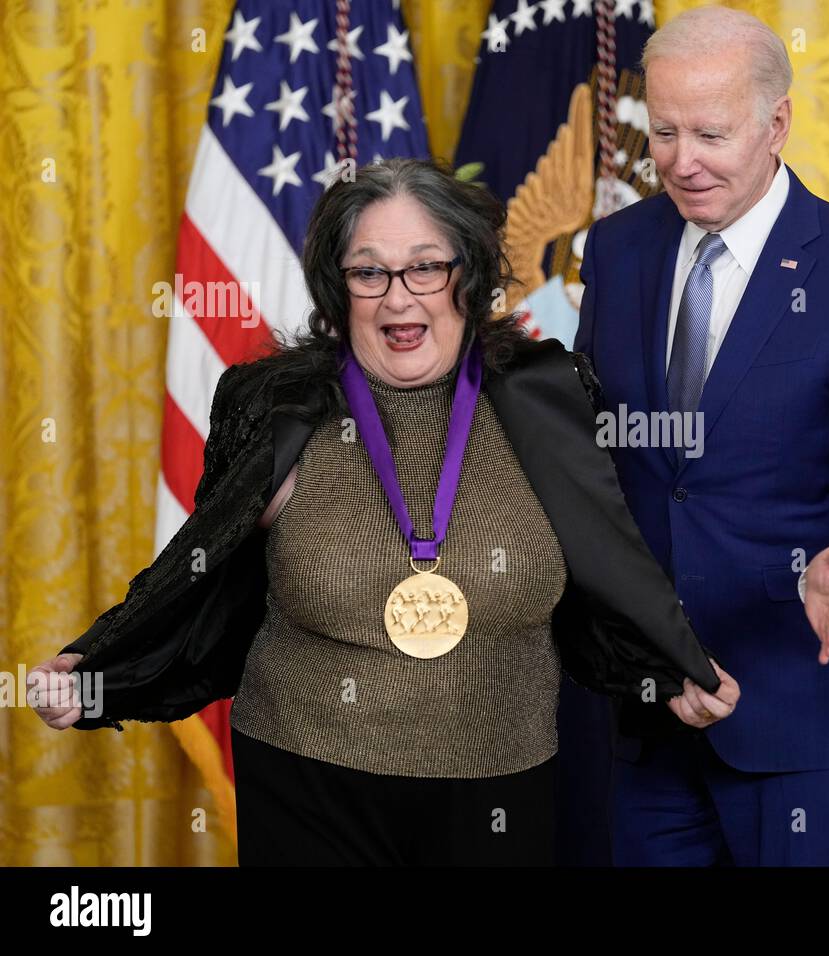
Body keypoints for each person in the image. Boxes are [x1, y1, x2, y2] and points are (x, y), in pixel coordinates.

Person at [27, 156, 740, 866]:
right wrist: (100, 668)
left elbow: (600, 577)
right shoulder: (276, 407)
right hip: (307, 782)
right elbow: (204, 576)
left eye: (426, 266)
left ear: (470, 275)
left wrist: (668, 672)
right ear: (339, 291)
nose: (399, 297)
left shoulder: (549, 398)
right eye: (369, 273)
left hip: (500, 787)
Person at [575, 6, 829, 866]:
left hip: (805, 725)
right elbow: (595, 460)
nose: (680, 161)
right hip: (646, 720)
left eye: (710, 133)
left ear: (777, 123)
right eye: (662, 131)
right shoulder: (618, 249)